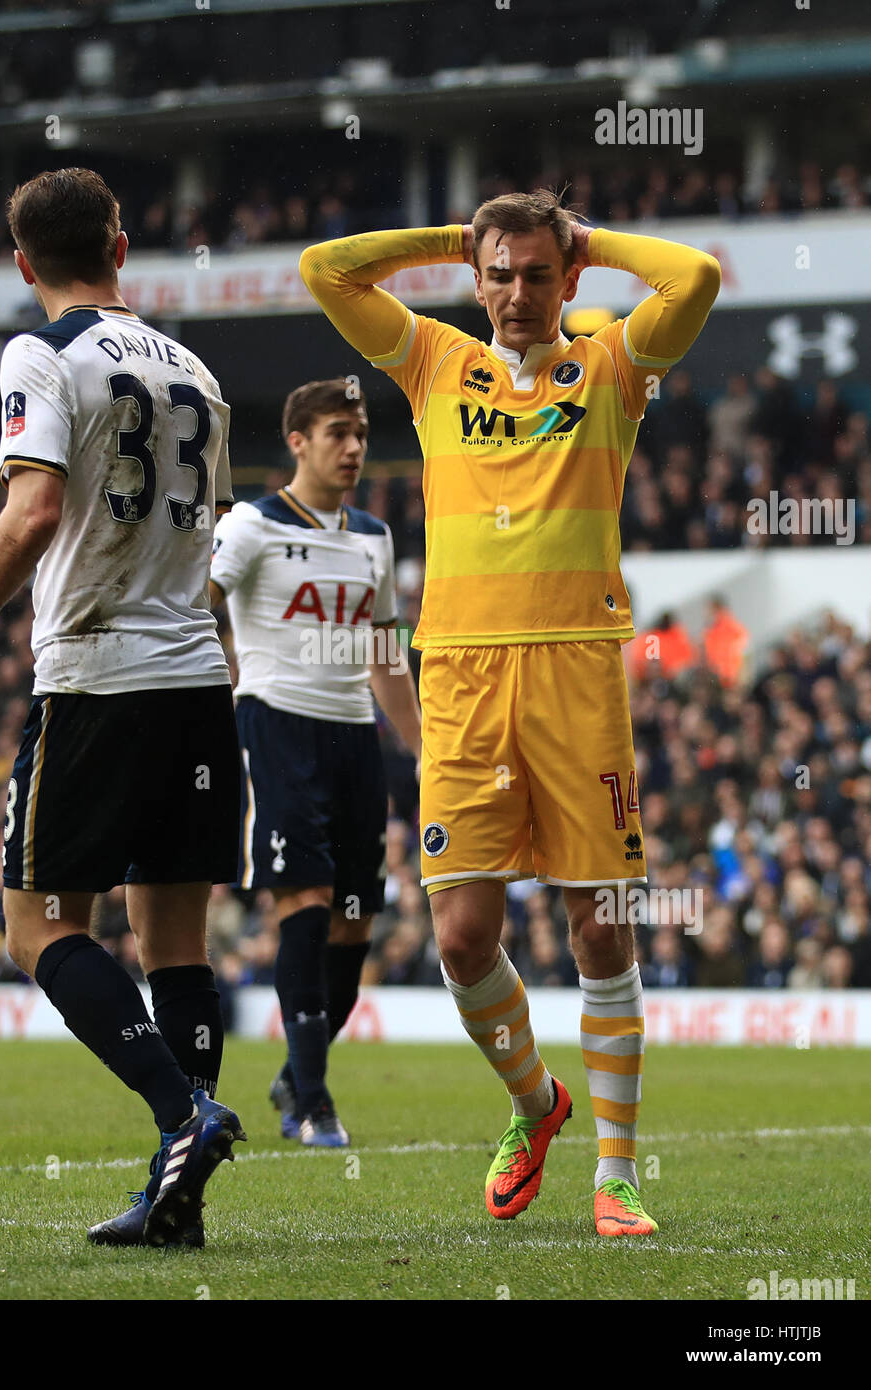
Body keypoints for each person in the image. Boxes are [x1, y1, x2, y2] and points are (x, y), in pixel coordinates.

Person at [301, 187, 721, 1236]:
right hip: (459, 673)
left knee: (597, 926)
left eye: (538, 274)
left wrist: (586, 241)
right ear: (474, 278)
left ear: (566, 276)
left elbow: (697, 278)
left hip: (576, 668)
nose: (518, 292)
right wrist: (454, 237)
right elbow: (326, 269)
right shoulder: (437, 362)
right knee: (459, 931)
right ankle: (535, 1105)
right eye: (498, 273)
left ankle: (616, 1177)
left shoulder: (615, 366)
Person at [0, 167, 245, 1251]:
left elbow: (32, 507)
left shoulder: (40, 352)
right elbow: (214, 538)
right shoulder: (195, 367)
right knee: (175, 938)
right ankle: (176, 1193)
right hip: (196, 679)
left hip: (97, 676)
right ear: (121, 245)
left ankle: (181, 1112)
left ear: (19, 265)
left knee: (38, 925)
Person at [209, 379, 420, 1145]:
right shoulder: (251, 527)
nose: (355, 447)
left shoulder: (372, 536)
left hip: (355, 736)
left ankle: (298, 1073)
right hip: (276, 725)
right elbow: (197, 599)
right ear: (297, 441)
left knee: (355, 927)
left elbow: (385, 655)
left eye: (361, 433)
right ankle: (313, 1104)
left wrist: (425, 750)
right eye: (338, 433)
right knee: (304, 903)